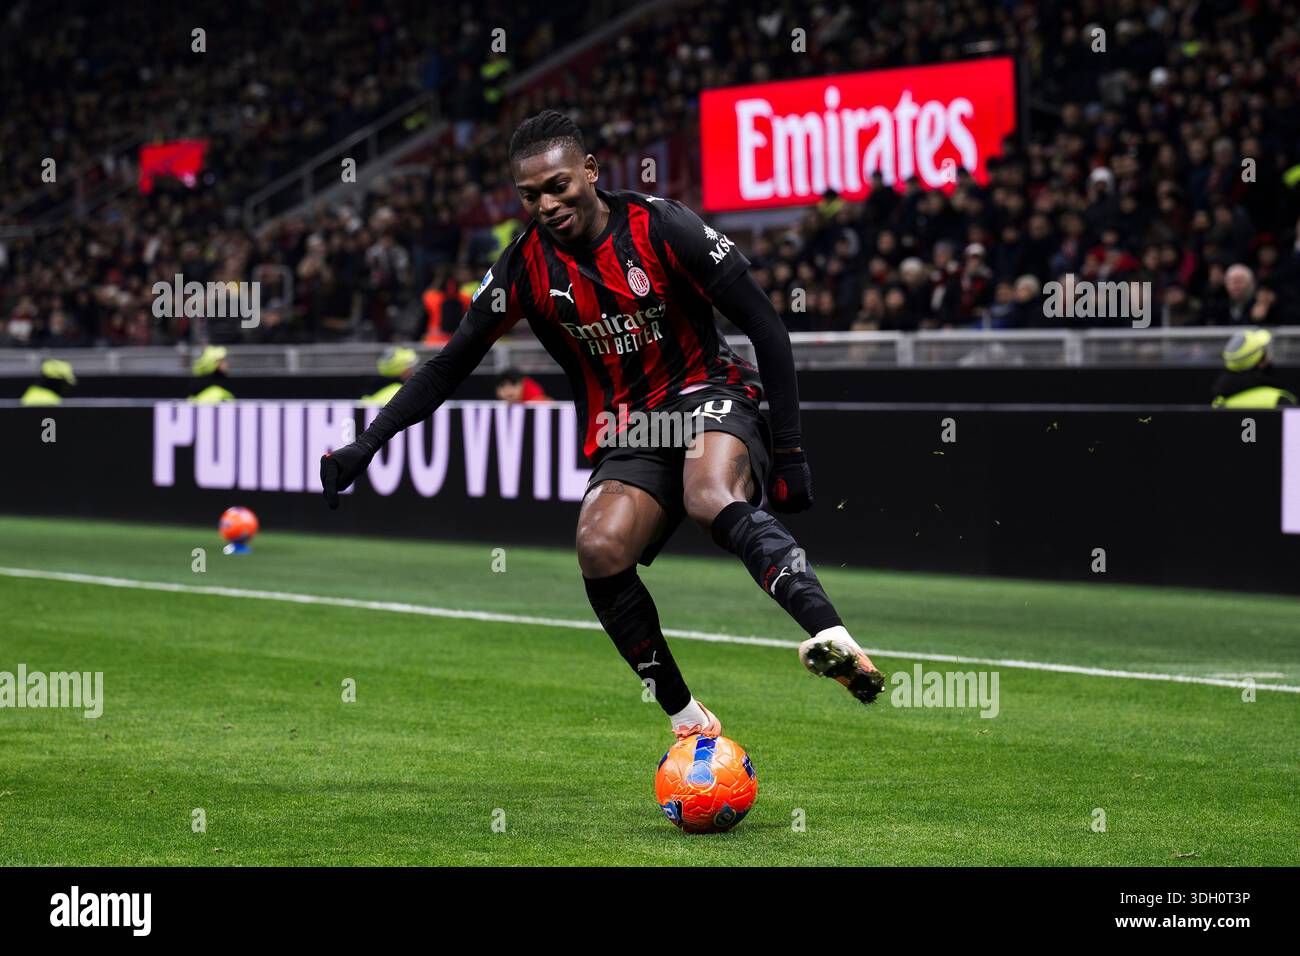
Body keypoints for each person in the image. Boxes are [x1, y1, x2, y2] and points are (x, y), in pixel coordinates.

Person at [321, 110, 884, 740]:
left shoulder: (662, 225)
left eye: (558, 186)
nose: (546, 205)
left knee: (708, 496)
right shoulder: (522, 268)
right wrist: (368, 442)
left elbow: (765, 325)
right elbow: (448, 365)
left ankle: (832, 636)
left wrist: (791, 450)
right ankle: (690, 723)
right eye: (530, 195)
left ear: (590, 171)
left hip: (709, 391)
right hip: (630, 428)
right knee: (598, 547)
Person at [1211, 327, 1297, 408]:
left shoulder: (1219, 402)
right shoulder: (1279, 399)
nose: (1269, 358)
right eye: (1265, 352)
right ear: (1260, 361)